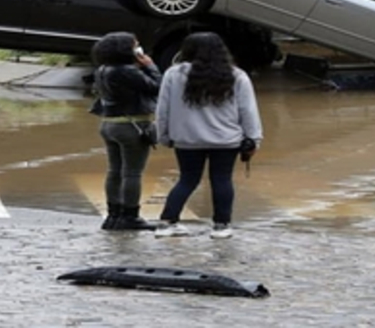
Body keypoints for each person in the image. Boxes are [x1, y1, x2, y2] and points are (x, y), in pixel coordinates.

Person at [154, 32, 263, 239]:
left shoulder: (173, 74)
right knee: (222, 180)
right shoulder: (236, 75)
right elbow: (248, 110)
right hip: (226, 139)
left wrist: (164, 135)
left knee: (186, 180)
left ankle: (166, 223)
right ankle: (221, 226)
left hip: (186, 139)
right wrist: (253, 138)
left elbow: (162, 109)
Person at [90, 32, 161, 231]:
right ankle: (130, 216)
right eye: (135, 45)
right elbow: (158, 86)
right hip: (132, 126)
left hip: (109, 124)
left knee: (114, 171)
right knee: (132, 173)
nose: (139, 49)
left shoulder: (103, 69)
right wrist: (150, 66)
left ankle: (113, 215)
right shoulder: (127, 71)